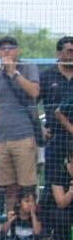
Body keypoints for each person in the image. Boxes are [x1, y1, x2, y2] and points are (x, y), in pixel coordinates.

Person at [0, 35, 41, 217]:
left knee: (27, 186)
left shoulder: (29, 68)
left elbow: (34, 92)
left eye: (11, 48)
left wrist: (14, 72)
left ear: (18, 51)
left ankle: (30, 223)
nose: (7, 51)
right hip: (2, 139)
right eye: (3, 48)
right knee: (9, 187)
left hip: (24, 135)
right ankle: (11, 223)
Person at [39, 36, 73, 196]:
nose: (72, 55)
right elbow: (30, 104)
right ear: (58, 54)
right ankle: (49, 209)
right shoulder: (46, 76)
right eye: (69, 51)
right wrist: (40, 128)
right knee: (51, 181)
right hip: (55, 138)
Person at [44, 151, 73, 240]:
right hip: (63, 210)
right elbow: (61, 203)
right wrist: (71, 191)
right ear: (70, 157)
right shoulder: (59, 172)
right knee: (61, 216)